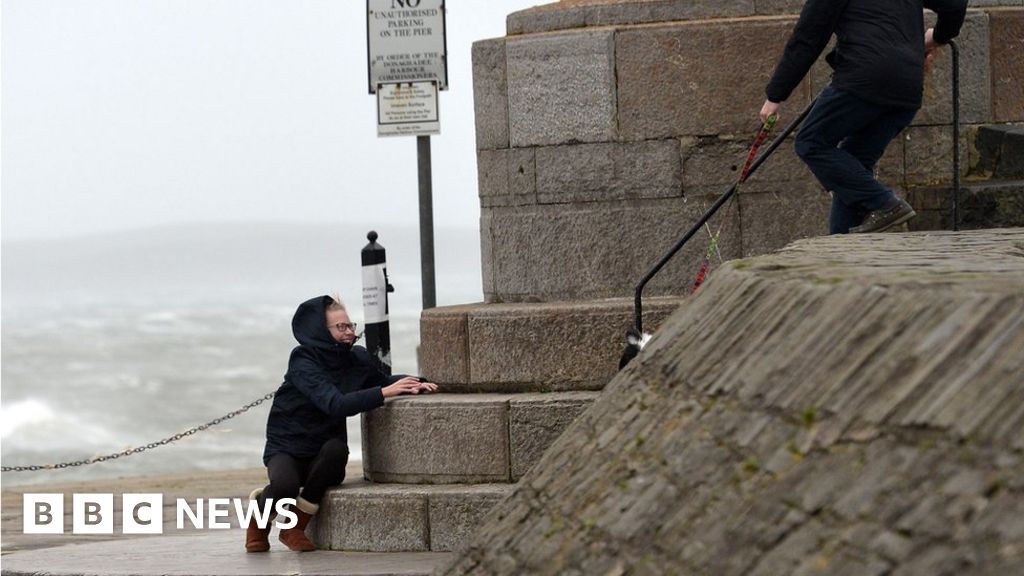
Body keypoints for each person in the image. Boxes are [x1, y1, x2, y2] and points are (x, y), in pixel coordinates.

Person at [244, 294, 438, 553]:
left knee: (336, 450)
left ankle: (294, 527)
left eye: (350, 326)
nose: (349, 332)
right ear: (320, 331)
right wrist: (386, 393)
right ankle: (259, 517)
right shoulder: (303, 361)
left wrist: (416, 381)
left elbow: (381, 380)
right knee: (285, 487)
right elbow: (334, 404)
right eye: (341, 327)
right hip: (288, 446)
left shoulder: (356, 357)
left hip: (324, 451)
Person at [760, 0, 967, 234]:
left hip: (862, 79)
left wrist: (775, 97)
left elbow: (807, 39)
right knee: (854, 163)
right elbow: (955, 4)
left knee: (810, 142)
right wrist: (937, 37)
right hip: (907, 87)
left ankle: (884, 203)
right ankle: (842, 241)